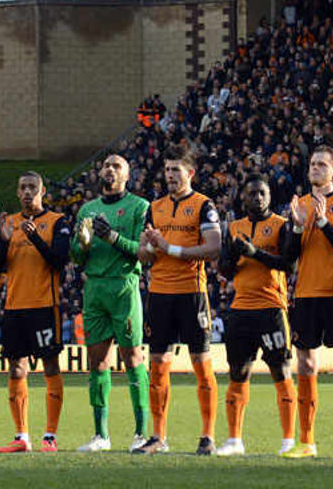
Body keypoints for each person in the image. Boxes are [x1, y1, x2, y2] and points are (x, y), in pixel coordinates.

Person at [133, 144, 223, 456]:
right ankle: (158, 437)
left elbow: (213, 248)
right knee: (157, 368)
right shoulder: (153, 207)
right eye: (168, 170)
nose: (170, 175)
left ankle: (207, 436)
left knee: (201, 366)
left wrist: (170, 248)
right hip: (159, 296)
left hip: (192, 294)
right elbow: (145, 257)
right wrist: (147, 245)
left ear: (190, 173)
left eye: (176, 170)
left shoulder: (203, 205)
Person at [280, 146, 333, 459]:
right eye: (312, 163)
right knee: (306, 363)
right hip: (305, 295)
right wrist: (299, 225)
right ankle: (306, 441)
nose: (314, 168)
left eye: (321, 164)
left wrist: (324, 222)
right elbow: (288, 259)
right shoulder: (298, 205)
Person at [69, 154, 151, 453]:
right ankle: (101, 435)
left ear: (127, 175)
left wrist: (113, 236)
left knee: (133, 360)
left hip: (123, 287)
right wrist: (84, 243)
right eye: (106, 165)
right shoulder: (87, 210)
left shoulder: (139, 207)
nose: (110, 169)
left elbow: (143, 251)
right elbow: (76, 257)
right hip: (95, 289)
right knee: (97, 363)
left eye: (117, 166)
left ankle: (141, 434)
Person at [215, 174, 297, 456]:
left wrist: (255, 252)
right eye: (252, 193)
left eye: (262, 193)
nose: (257, 198)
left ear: (269, 196)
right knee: (238, 373)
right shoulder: (234, 227)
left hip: (271, 308)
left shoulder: (281, 226)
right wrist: (235, 256)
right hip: (240, 310)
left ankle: (288, 440)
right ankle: (235, 440)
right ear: (243, 197)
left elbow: (288, 264)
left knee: (281, 370)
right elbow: (224, 269)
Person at [0, 172, 71, 453]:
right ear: (17, 192)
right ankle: (21, 436)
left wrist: (35, 238)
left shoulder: (56, 222)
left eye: (32, 188)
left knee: (50, 365)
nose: (27, 192)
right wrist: (1, 240)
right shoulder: (8, 223)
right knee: (15, 368)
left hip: (44, 306)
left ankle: (50, 436)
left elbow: (59, 261)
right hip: (13, 308)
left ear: (42, 190)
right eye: (23, 187)